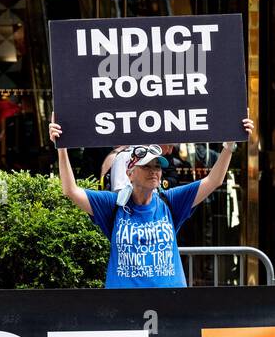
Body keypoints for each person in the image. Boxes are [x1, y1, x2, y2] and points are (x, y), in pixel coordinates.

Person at [50, 114, 254, 288]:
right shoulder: (112, 205)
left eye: (157, 166)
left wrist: (229, 146)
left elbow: (214, 180)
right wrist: (62, 148)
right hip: (124, 306)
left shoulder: (171, 200)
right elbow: (70, 190)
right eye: (146, 166)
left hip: (170, 302)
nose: (154, 171)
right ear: (130, 173)